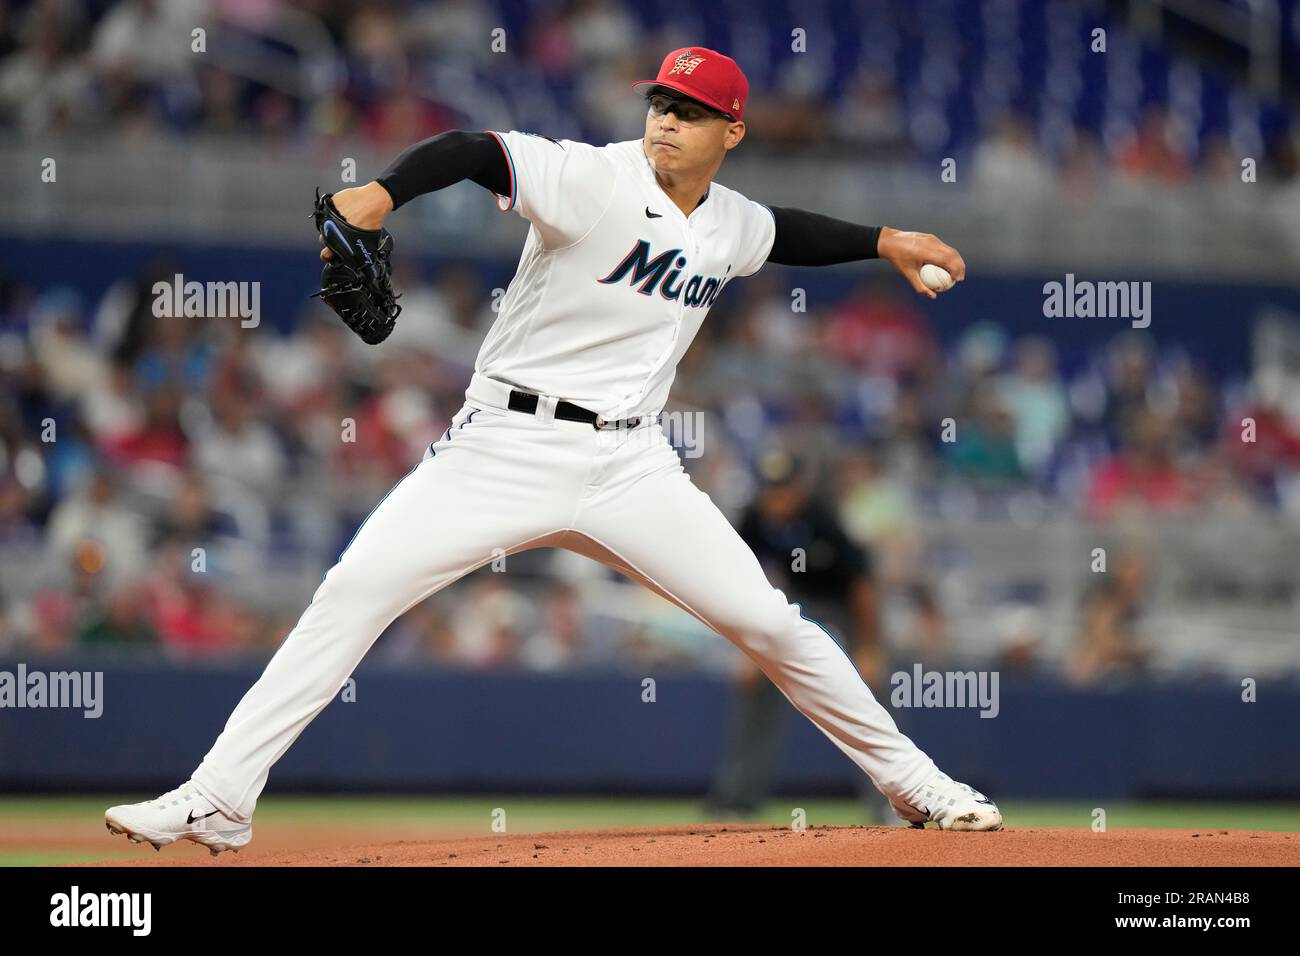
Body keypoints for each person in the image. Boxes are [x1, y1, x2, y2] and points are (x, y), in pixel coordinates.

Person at [105, 46, 1000, 855]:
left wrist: (886, 241)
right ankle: (220, 798)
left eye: (687, 111)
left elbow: (788, 233)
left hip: (631, 466)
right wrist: (379, 196)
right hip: (504, 443)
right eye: (658, 103)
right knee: (354, 591)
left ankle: (916, 785)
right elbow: (471, 148)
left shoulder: (728, 223)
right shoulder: (594, 178)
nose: (664, 122)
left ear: (733, 128)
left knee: (770, 624)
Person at [702, 448, 895, 822]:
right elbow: (737, 578)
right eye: (770, 490)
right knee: (755, 690)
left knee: (870, 697)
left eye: (784, 490)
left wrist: (870, 648)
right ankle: (736, 798)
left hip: (844, 607)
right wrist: (746, 647)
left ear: (800, 489)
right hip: (794, 601)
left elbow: (862, 587)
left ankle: (890, 803)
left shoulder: (825, 518)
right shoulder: (754, 517)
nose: (777, 499)